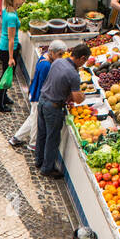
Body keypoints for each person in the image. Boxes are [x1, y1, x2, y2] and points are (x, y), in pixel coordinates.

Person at [35, 43, 90, 178]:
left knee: (42, 133)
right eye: (85, 60)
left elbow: (58, 83)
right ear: (82, 58)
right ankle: (47, 168)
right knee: (52, 138)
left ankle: (39, 160)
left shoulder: (58, 62)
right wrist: (82, 96)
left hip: (42, 101)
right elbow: (77, 99)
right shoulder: (73, 74)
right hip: (53, 108)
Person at [11, 39, 67, 147]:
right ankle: (33, 143)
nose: (61, 57)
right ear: (52, 52)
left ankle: (17, 138)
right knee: (36, 120)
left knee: (33, 117)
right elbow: (45, 84)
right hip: (38, 95)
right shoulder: (47, 66)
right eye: (59, 54)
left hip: (34, 91)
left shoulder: (44, 57)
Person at [0, 0, 23, 111]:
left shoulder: (8, 11)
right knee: (5, 77)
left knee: (6, 75)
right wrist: (11, 57)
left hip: (4, 47)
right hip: (7, 50)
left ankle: (4, 97)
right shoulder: (11, 16)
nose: (23, 2)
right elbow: (11, 39)